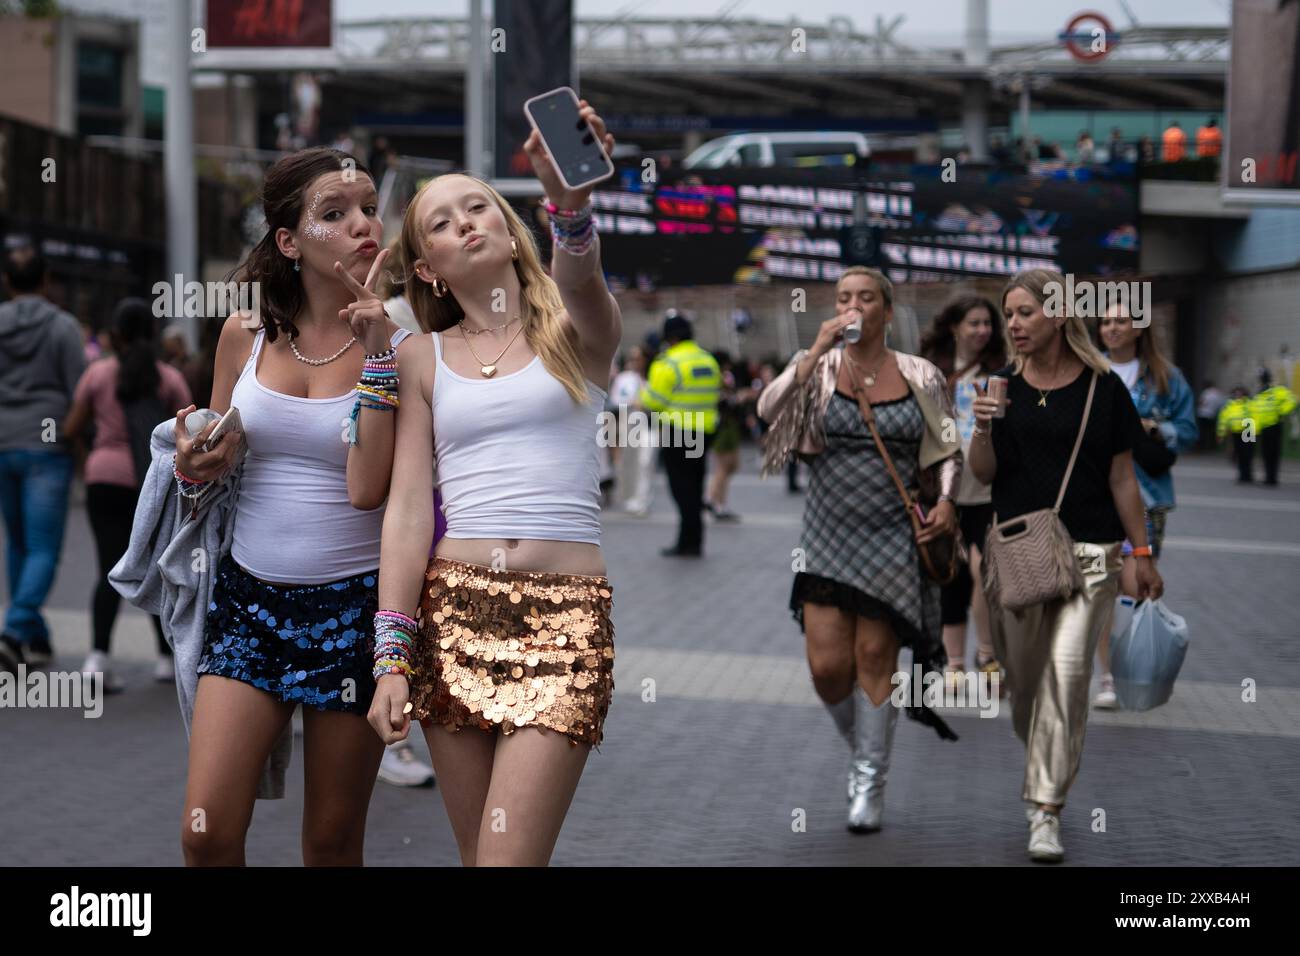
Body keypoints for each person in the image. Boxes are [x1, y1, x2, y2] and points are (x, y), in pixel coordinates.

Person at [368, 97, 622, 866]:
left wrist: (570, 208)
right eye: (441, 223)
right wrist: (391, 658)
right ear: (426, 268)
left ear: (512, 229)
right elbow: (409, 509)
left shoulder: (575, 336)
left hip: (565, 623)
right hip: (452, 617)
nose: (465, 223)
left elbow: (580, 282)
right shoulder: (421, 358)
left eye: (478, 206)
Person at [173, 146, 416, 865]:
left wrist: (378, 352)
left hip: (354, 612)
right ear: (289, 241)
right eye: (335, 213)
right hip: (247, 604)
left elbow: (368, 489)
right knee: (206, 833)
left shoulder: (405, 345)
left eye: (370, 208)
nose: (364, 224)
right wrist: (195, 461)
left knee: (332, 845)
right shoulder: (242, 335)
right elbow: (210, 466)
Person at [757, 266, 961, 833]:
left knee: (875, 658)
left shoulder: (919, 373)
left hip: (893, 534)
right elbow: (767, 410)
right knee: (827, 667)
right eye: (844, 297)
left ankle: (870, 779)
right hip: (827, 532)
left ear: (887, 311)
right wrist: (816, 346)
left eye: (866, 298)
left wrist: (945, 502)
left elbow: (947, 448)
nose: (854, 306)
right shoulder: (820, 367)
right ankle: (862, 749)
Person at [968, 269, 1162, 863]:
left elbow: (1122, 477)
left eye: (1026, 312)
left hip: (1092, 555)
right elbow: (983, 473)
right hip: (1020, 555)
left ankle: (1045, 810)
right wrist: (981, 426)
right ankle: (1043, 772)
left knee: (1068, 675)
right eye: (1010, 315)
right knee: (1026, 689)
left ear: (1058, 315)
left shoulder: (1105, 388)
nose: (1015, 325)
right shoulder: (1000, 385)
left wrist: (1142, 552)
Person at [63, 298, 191, 690]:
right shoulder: (166, 378)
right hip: (149, 483)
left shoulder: (98, 374)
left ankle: (97, 658)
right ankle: (166, 659)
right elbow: (189, 428)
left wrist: (89, 463)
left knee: (109, 567)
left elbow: (69, 428)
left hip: (103, 479)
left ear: (115, 335)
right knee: (153, 566)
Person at [1091, 304, 1196, 709]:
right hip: (1095, 493)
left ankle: (1137, 661)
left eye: (1121, 321)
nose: (1112, 328)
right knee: (1101, 586)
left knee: (1136, 583)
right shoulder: (1089, 370)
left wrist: (1154, 428)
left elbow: (1187, 432)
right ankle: (1109, 678)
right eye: (1106, 322)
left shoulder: (1166, 378)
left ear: (1139, 328)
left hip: (1147, 494)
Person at [0, 244, 86, 674]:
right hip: (46, 445)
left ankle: (34, 639)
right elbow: (80, 391)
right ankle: (15, 629)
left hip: (3, 443)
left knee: (16, 543)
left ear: (6, 281)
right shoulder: (64, 327)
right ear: (46, 280)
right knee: (43, 550)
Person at [919, 295, 1007, 693]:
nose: (982, 330)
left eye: (987, 323)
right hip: (943, 491)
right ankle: (954, 662)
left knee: (985, 572)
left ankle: (987, 653)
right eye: (973, 323)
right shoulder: (929, 371)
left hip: (989, 490)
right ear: (954, 327)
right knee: (950, 574)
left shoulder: (1002, 372)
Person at [640, 310, 721, 557]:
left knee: (681, 488)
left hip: (679, 433)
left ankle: (688, 542)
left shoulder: (667, 363)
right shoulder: (708, 360)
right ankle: (693, 540)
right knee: (696, 486)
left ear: (669, 337)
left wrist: (641, 395)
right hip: (705, 431)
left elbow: (654, 402)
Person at [609, 345, 654, 515]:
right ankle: (629, 497)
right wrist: (632, 401)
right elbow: (615, 399)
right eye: (632, 358)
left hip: (650, 423)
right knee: (628, 462)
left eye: (638, 358)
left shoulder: (653, 377)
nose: (634, 362)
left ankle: (643, 500)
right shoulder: (624, 378)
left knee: (645, 461)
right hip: (629, 422)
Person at [704, 350, 746, 522]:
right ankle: (713, 499)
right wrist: (739, 398)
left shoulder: (715, 376)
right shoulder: (719, 377)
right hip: (723, 425)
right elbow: (724, 401)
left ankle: (717, 500)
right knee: (723, 465)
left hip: (727, 425)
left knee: (731, 465)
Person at [1250, 368, 1299, 486]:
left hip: (1275, 426)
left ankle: (1272, 478)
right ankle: (1269, 477)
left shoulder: (1277, 391)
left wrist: (1281, 411)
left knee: (1273, 453)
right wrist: (1252, 432)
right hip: (1264, 428)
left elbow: (1292, 401)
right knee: (1266, 453)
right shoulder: (1259, 394)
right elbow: (1254, 413)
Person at [1217, 386, 1254, 480]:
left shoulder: (1249, 403)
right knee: (1239, 454)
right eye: (1236, 393)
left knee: (1247, 454)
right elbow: (1223, 420)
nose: (1238, 395)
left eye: (1240, 393)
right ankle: (1242, 474)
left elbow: (1255, 416)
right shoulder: (1230, 405)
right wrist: (1221, 434)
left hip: (1247, 430)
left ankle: (1247, 475)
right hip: (1235, 431)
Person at [1196, 380, 1226, 451]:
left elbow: (1201, 402)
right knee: (1211, 431)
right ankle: (1212, 446)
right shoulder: (1217, 393)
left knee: (1202, 432)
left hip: (1203, 414)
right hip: (1212, 414)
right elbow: (1221, 404)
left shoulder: (1205, 392)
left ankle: (1202, 446)